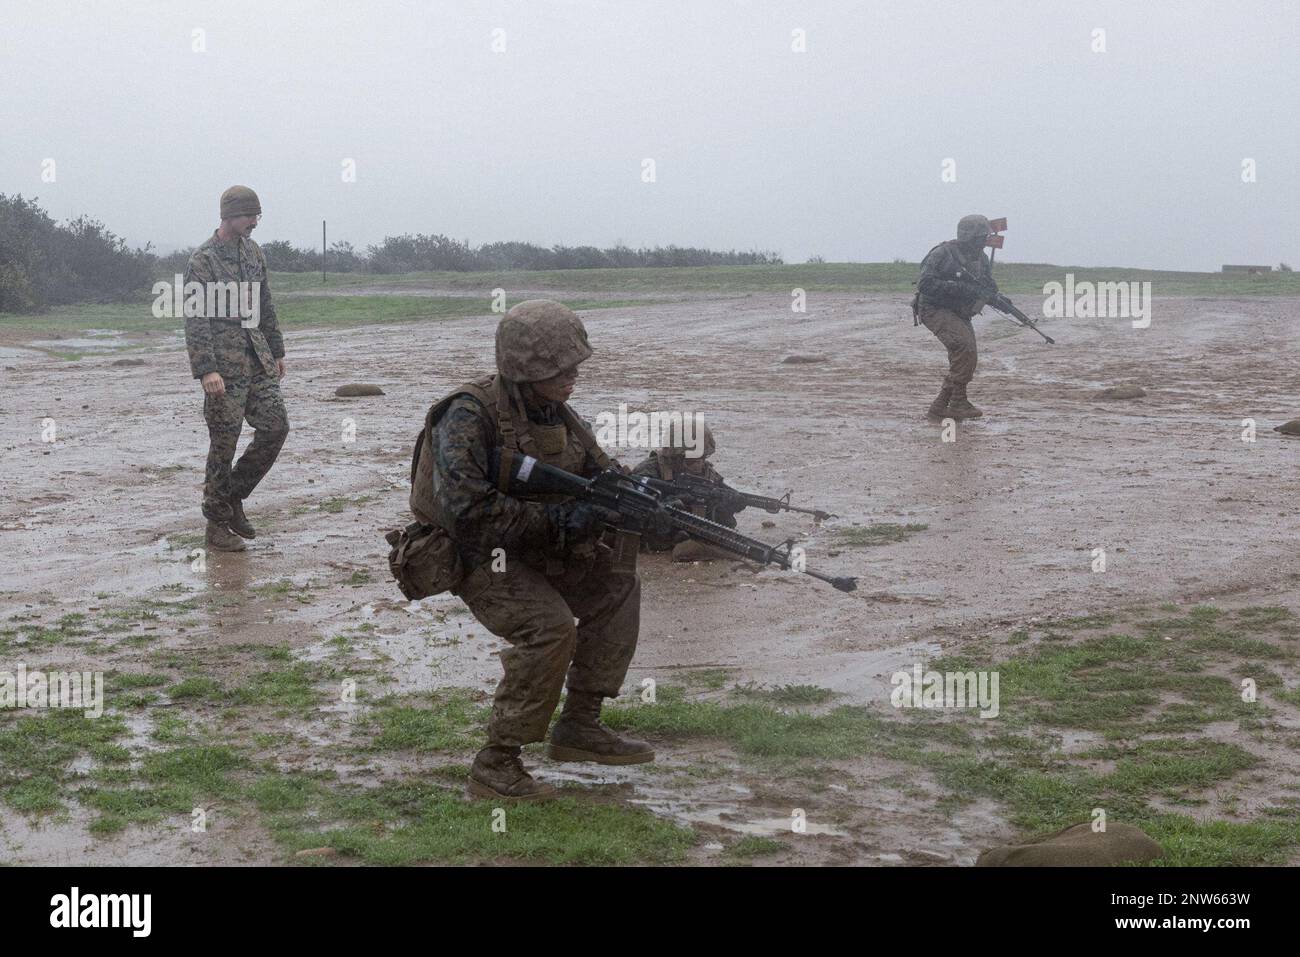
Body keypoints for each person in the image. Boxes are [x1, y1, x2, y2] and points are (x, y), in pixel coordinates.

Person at [412, 300, 653, 801]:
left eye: (575, 369)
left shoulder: (557, 412)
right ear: (525, 369)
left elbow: (599, 472)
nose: (572, 379)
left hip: (534, 545)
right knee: (548, 629)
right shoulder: (466, 414)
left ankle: (580, 725)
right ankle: (497, 762)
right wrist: (559, 519)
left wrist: (641, 496)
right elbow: (466, 511)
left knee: (617, 584)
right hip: (476, 554)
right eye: (559, 370)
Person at [183, 185, 289, 552]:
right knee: (223, 445)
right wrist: (206, 369)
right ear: (229, 215)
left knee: (276, 428)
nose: (255, 222)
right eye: (249, 216)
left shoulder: (254, 252)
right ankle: (216, 527)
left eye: (257, 215)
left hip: (258, 358)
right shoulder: (203, 261)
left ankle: (233, 496)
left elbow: (266, 304)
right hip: (223, 370)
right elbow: (195, 319)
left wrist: (276, 351)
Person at [914, 214, 997, 420]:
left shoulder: (982, 259)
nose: (983, 242)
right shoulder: (943, 253)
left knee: (968, 355)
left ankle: (948, 404)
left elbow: (984, 286)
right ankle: (953, 403)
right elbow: (925, 284)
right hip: (934, 308)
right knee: (964, 347)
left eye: (984, 238)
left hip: (960, 312)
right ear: (968, 237)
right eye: (980, 238)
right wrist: (962, 289)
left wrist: (994, 295)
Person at [631, 423, 744, 560]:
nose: (699, 466)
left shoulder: (706, 473)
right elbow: (631, 509)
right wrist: (668, 504)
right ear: (675, 458)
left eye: (703, 458)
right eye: (692, 461)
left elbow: (726, 516)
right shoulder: (649, 471)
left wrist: (730, 504)